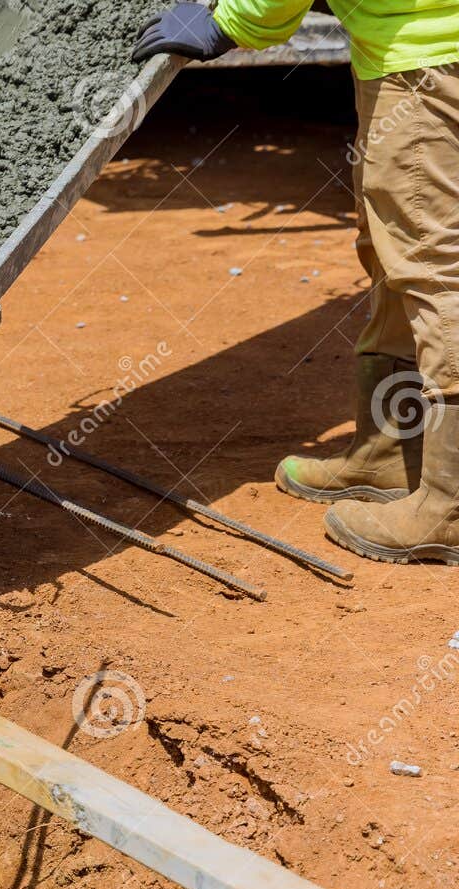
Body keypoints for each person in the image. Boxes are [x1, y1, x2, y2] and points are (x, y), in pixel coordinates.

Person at [134, 1, 459, 565]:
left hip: (428, 59)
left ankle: (449, 507)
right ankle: (388, 451)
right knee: (394, 254)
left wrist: (229, 23)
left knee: (435, 274)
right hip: (415, 51)